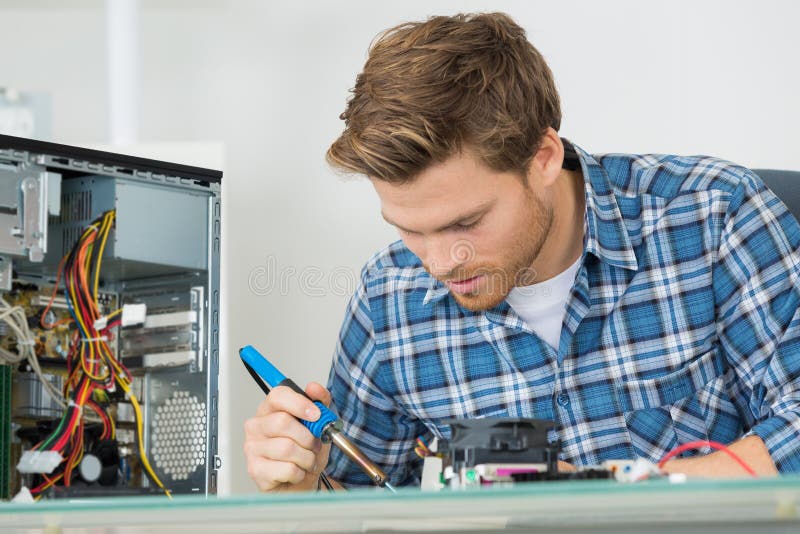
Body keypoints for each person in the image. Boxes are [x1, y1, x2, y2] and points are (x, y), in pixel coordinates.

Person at [244, 12, 799, 492]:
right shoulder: (390, 297)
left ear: (543, 157)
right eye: (409, 230)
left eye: (466, 222)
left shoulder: (712, 215)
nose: (438, 264)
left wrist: (609, 496)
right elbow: (365, 497)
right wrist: (303, 478)